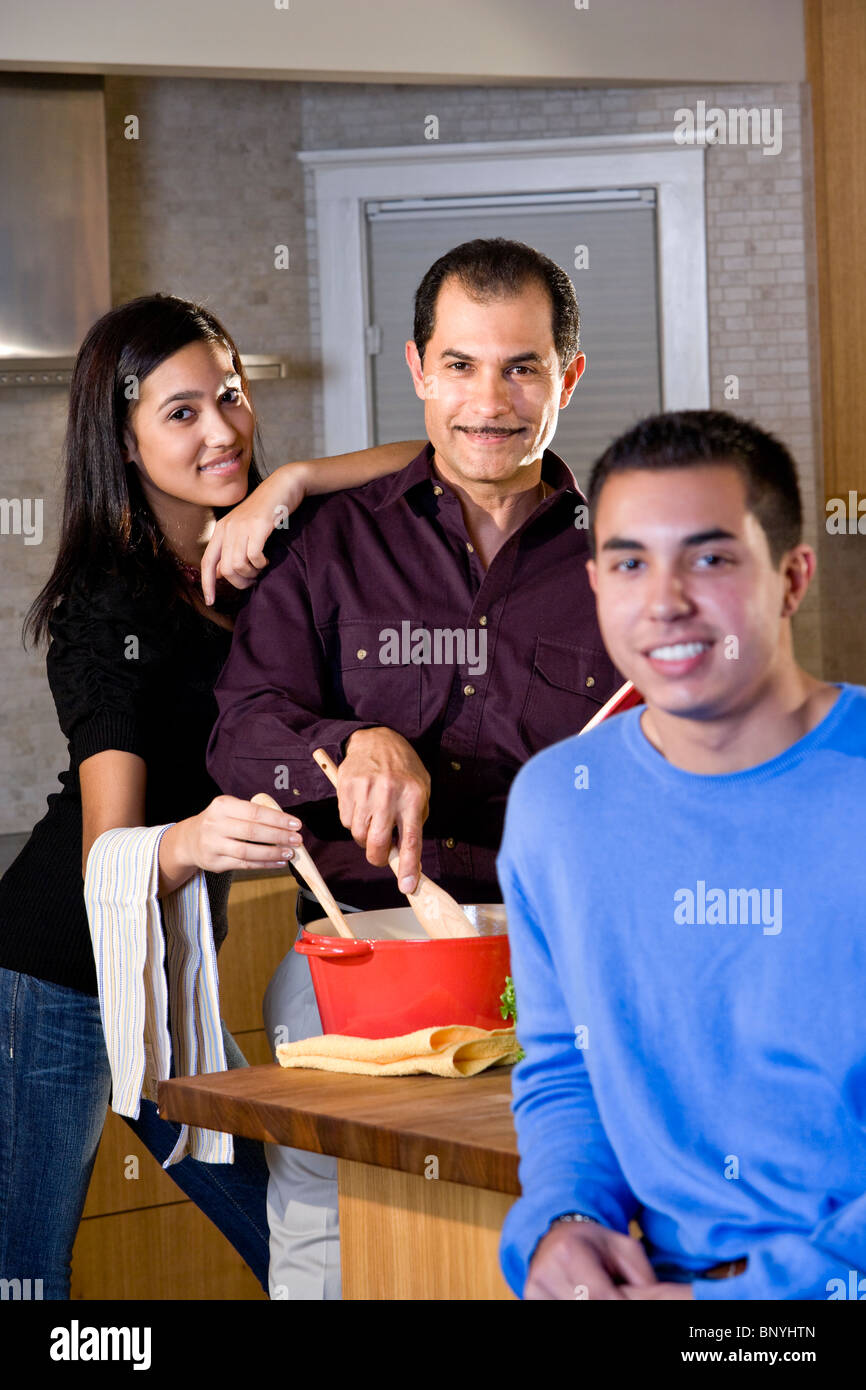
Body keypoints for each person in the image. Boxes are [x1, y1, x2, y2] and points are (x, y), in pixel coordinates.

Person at [206, 237, 623, 1297]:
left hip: (562, 971)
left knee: (551, 1236)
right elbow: (240, 727)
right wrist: (345, 742)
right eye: (460, 365)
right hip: (357, 962)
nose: (489, 400)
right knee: (325, 1232)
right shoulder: (330, 544)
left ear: (567, 377)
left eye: (522, 366)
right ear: (415, 368)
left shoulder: (623, 561)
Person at [0, 292, 415, 1299]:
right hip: (53, 976)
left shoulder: (280, 537)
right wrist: (196, 837)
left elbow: (434, 465)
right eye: (180, 412)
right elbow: (109, 855)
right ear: (124, 438)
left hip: (171, 971)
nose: (223, 429)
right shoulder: (108, 605)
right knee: (25, 1277)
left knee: (297, 1243)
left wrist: (297, 484)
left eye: (229, 394)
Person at [497, 409, 866, 1301]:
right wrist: (563, 1220)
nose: (664, 600)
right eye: (630, 562)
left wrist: (739, 1311)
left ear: (791, 577)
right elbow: (566, 1066)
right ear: (595, 583)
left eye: (710, 558)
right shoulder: (557, 805)